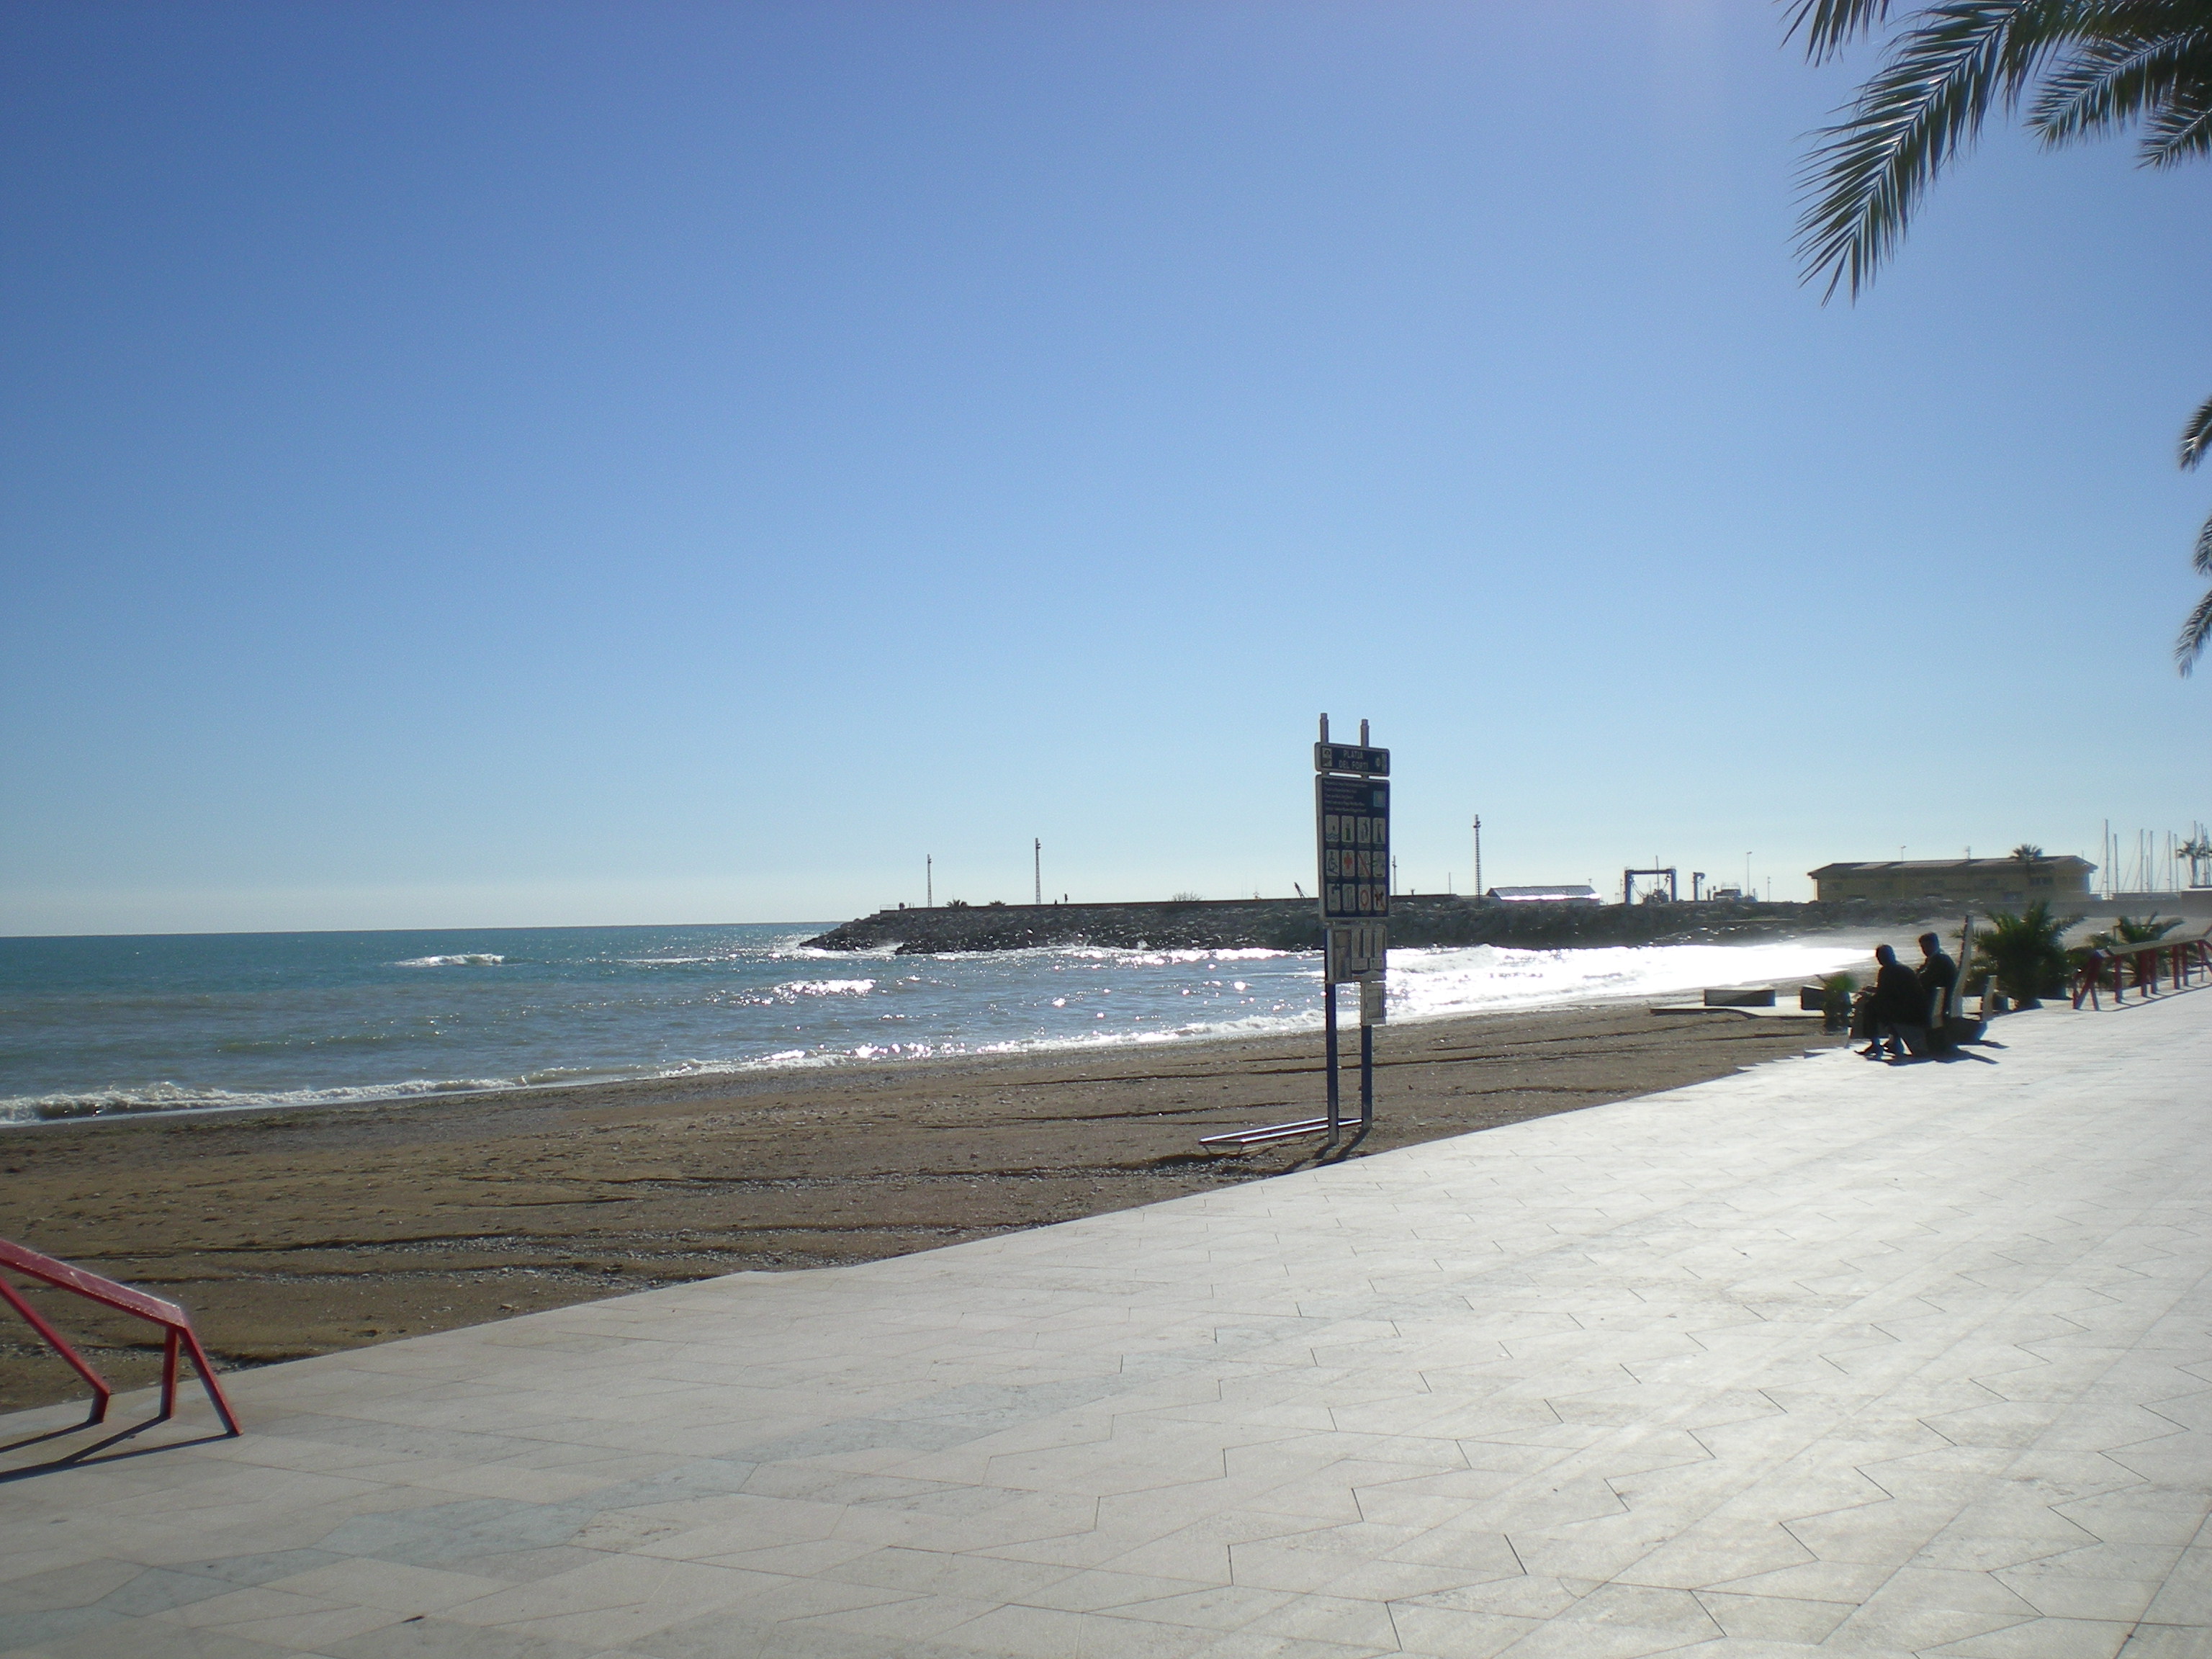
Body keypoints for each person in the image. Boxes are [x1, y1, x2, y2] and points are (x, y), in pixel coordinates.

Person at [1862, 943, 1930, 1060]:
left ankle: (1876, 1044)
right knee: (1882, 1006)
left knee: (1870, 1008)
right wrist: (1874, 991)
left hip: (1907, 1013)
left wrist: (1867, 995)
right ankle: (1894, 1042)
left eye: (1880, 958)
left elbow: (1883, 996)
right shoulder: (1902, 968)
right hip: (1915, 1008)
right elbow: (1892, 991)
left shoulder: (1887, 970)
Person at [1917, 931, 1959, 1051]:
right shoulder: (1938, 958)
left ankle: (1898, 1042)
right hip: (1940, 1001)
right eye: (1922, 947)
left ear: (1935, 944)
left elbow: (1924, 979)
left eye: (1926, 946)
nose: (1924, 950)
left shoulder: (1938, 960)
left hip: (1938, 1003)